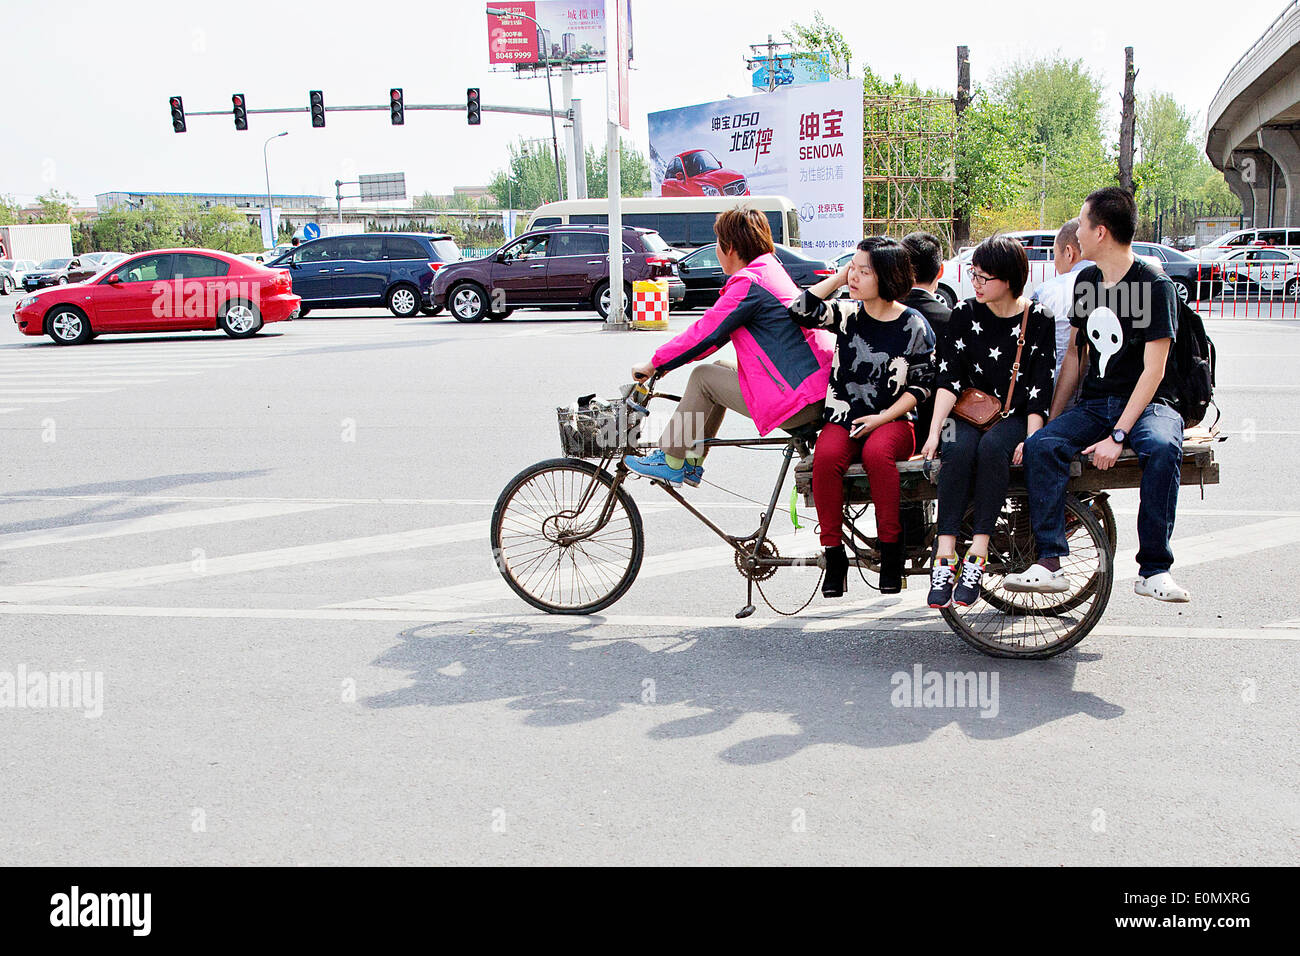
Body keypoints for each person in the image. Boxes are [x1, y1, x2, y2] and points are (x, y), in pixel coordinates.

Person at [1007, 187, 1189, 602]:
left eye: (1083, 223)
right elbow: (1075, 355)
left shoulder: (1153, 284)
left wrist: (1119, 435)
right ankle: (1050, 561)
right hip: (1095, 403)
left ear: (1101, 232)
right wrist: (1051, 423)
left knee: (1161, 448)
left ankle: (1154, 569)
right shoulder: (1087, 280)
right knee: (1043, 445)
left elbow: (1154, 370)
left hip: (1149, 405)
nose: (1077, 233)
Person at [624, 205, 833, 487]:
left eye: (717, 245)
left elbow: (705, 333)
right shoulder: (769, 270)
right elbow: (714, 339)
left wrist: (653, 364)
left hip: (800, 399)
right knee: (719, 368)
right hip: (815, 390)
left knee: (703, 378)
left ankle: (670, 458)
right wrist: (665, 363)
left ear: (730, 247)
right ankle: (691, 462)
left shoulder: (750, 283)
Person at [789, 237, 936, 597]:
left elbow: (922, 387)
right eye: (852, 267)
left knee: (876, 455)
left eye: (863, 271)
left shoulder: (913, 324)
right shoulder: (848, 314)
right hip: (843, 417)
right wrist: (840, 278)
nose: (854, 276)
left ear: (886, 276)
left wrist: (883, 417)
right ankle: (834, 556)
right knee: (824, 459)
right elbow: (800, 309)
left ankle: (891, 552)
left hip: (895, 422)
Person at [921, 235, 1057, 609]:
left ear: (1010, 279)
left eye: (984, 277)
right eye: (974, 274)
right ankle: (945, 554)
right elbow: (948, 379)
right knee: (957, 447)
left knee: (995, 448)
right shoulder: (963, 314)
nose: (976, 283)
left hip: (1013, 415)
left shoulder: (1039, 318)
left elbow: (1040, 388)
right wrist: (934, 432)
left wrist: (1031, 439)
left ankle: (977, 554)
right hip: (967, 411)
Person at [1031, 218, 1092, 379]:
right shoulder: (1124, 286)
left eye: (1055, 254)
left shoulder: (1045, 292)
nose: (1055, 263)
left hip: (1053, 387)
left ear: (1069, 253)